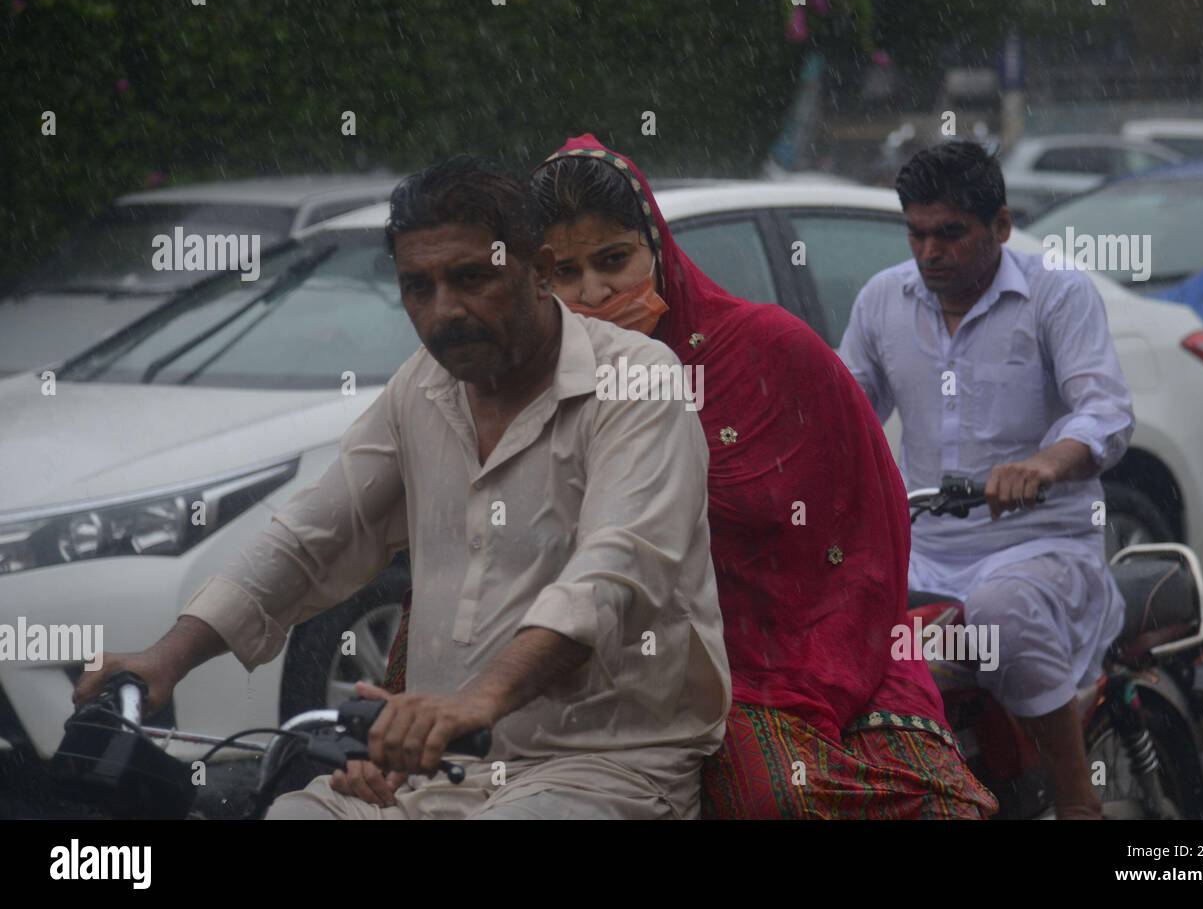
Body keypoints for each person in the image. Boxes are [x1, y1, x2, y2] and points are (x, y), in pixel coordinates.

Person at [74, 156, 731, 820]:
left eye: (472, 278)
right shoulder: (422, 388)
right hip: (439, 771)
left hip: (603, 768)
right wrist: (166, 657)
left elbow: (613, 571)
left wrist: (478, 700)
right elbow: (310, 537)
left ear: (537, 269)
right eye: (418, 287)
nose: (445, 311)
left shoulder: (639, 380)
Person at [516, 134, 995, 818]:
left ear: (659, 250)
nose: (593, 293)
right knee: (772, 798)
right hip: (692, 669)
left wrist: (835, 647)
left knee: (946, 809)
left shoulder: (770, 348)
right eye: (566, 273)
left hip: (842, 638)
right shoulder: (537, 393)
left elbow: (866, 518)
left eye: (614, 260)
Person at [838, 141, 1134, 819]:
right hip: (919, 553)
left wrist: (1044, 463)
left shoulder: (1058, 292)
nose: (929, 251)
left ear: (1000, 225)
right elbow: (841, 410)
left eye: (950, 233)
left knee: (999, 612)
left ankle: (1075, 792)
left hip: (1043, 547)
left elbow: (1106, 410)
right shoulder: (883, 300)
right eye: (916, 233)